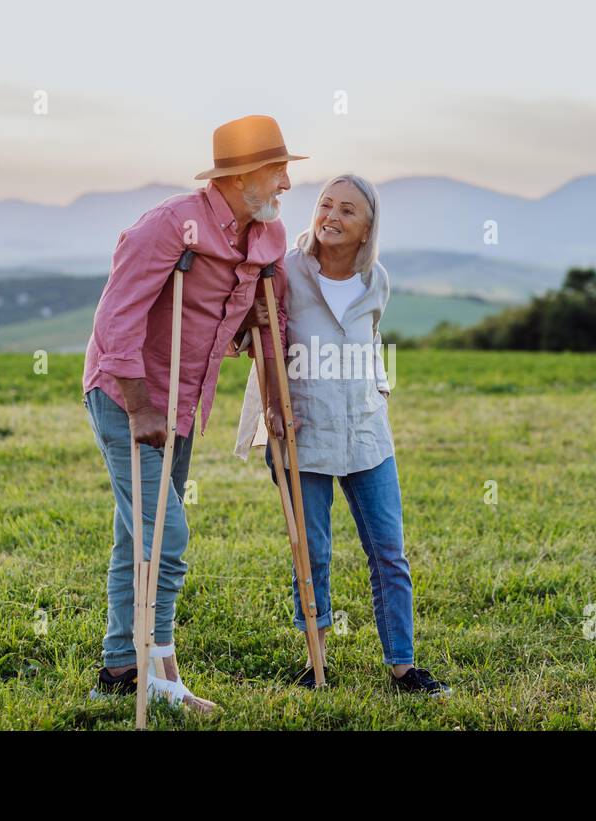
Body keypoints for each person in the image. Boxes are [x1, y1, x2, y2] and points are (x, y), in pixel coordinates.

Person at [84, 115, 305, 710]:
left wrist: (276, 406)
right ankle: (162, 677)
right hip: (127, 397)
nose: (286, 184)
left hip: (183, 407)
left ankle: (119, 669)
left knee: (139, 537)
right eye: (278, 171)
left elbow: (270, 325)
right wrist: (138, 406)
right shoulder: (167, 227)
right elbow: (116, 322)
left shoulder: (268, 239)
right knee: (166, 536)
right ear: (242, 177)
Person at [235, 174, 451, 696]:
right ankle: (317, 664)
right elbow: (248, 338)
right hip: (300, 430)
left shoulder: (376, 279)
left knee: (389, 552)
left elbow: (372, 338)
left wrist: (379, 388)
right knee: (311, 553)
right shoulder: (283, 270)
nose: (330, 216)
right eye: (325, 204)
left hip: (366, 434)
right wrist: (255, 326)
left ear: (367, 227)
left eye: (346, 210)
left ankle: (404, 668)